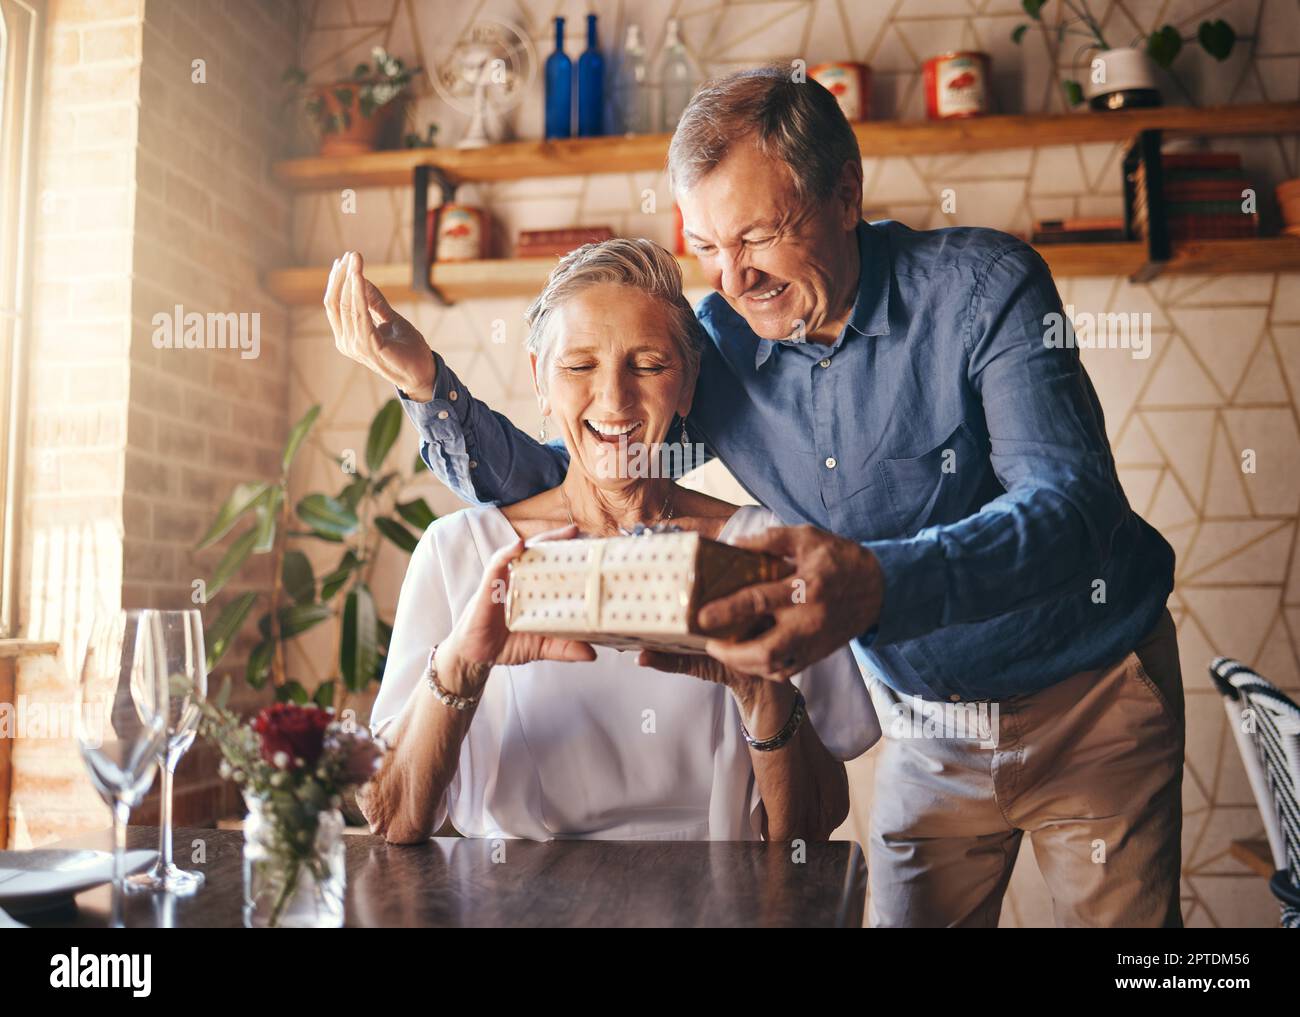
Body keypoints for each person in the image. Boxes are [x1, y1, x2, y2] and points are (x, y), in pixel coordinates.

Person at [329, 66, 1183, 928]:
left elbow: (1074, 506)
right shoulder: (723, 344)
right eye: (706, 247)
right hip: (926, 723)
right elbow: (594, 459)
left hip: (1087, 692)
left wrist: (878, 583)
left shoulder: (984, 288)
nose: (734, 280)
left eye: (759, 234)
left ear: (845, 193)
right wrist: (426, 382)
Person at [343, 238, 879, 844]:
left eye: (648, 365)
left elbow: (815, 822)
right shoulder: (457, 553)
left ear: (687, 386)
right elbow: (391, 816)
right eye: (579, 366)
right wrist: (464, 662)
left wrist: (760, 691)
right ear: (539, 381)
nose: (614, 398)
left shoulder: (766, 550)